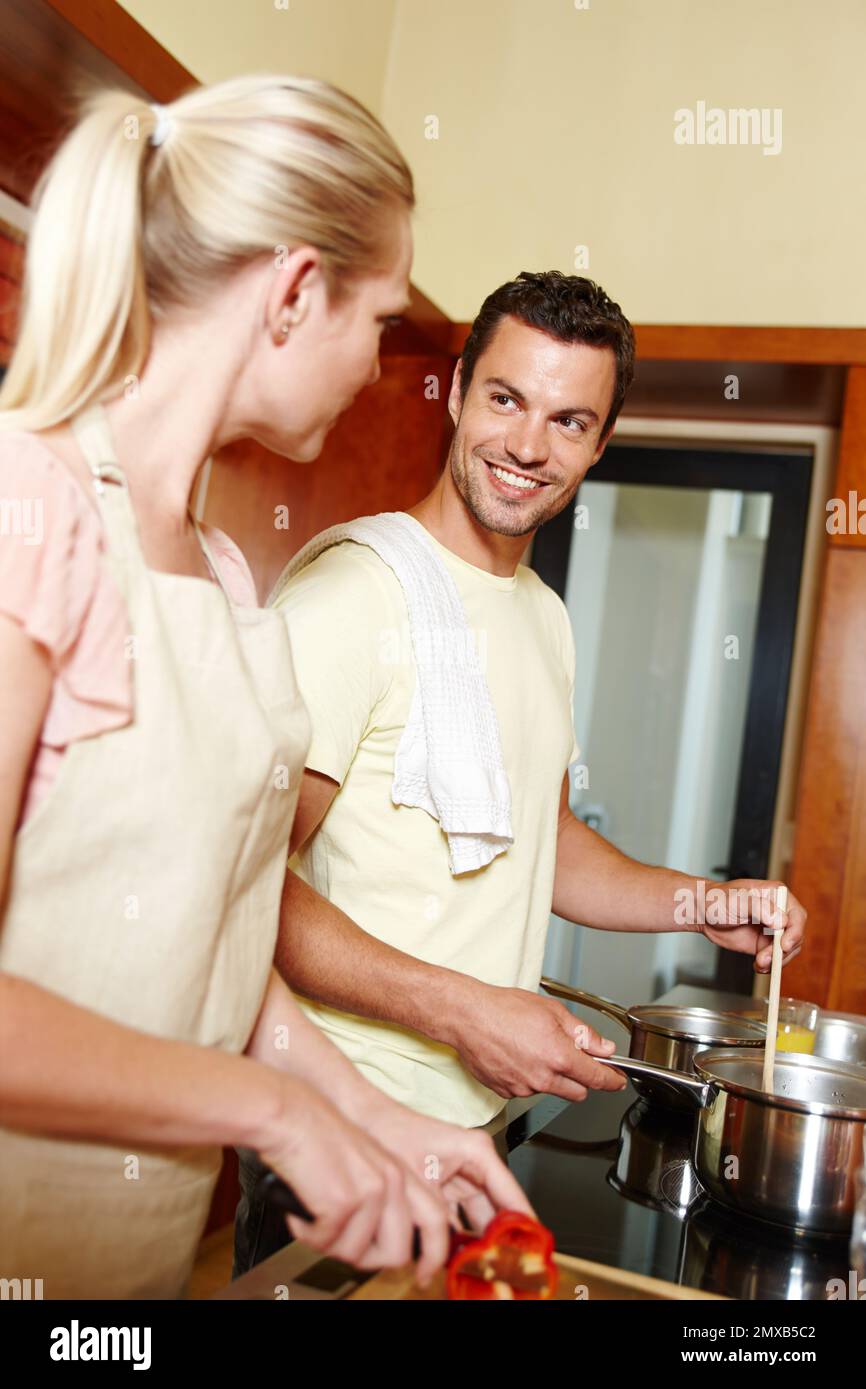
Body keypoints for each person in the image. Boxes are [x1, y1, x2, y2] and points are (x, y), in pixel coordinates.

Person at [0, 74, 529, 1301]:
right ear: (294, 293)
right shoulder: (31, 510)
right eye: (381, 319)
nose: (379, 362)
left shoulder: (231, 577)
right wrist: (276, 1119)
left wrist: (363, 1111)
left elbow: (220, 942)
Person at [234, 270, 807, 1270]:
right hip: (338, 1120)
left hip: (478, 1127)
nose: (528, 445)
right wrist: (463, 1010)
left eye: (569, 419)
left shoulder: (542, 616)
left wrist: (699, 904)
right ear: (455, 391)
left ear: (598, 441)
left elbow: (543, 839)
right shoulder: (351, 598)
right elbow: (244, 890)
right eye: (504, 398)